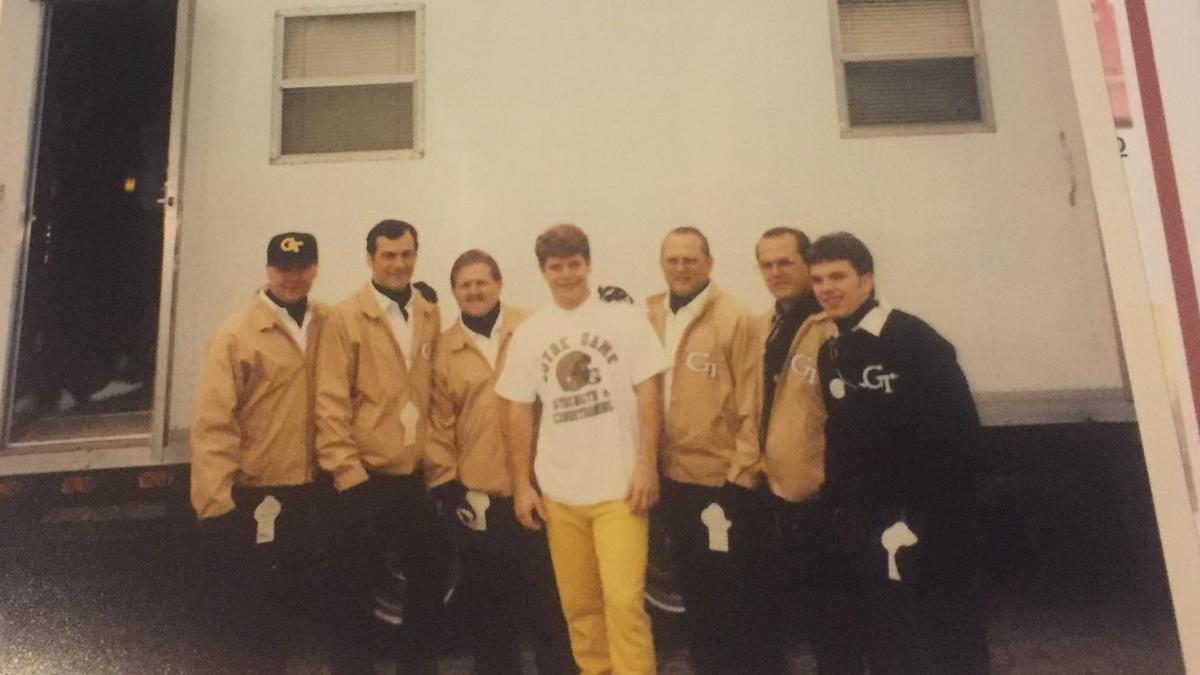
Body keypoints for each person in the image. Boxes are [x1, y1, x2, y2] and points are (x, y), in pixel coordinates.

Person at [808, 232, 989, 674]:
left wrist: (920, 519)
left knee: (945, 633)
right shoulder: (831, 348)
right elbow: (843, 437)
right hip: (866, 520)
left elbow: (957, 435)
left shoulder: (913, 339)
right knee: (887, 636)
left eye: (838, 276)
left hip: (926, 520)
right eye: (817, 279)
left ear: (866, 281)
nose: (826, 287)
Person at [494, 224, 667, 675]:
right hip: (560, 494)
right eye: (557, 267)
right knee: (581, 609)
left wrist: (647, 464)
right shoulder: (531, 332)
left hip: (620, 490)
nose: (567, 275)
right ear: (543, 271)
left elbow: (650, 392)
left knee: (625, 601)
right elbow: (517, 411)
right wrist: (522, 486)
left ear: (587, 264)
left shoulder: (624, 320)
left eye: (574, 264)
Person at [425, 249, 576, 674]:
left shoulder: (534, 329)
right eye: (465, 284)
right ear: (454, 292)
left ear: (498, 284)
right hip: (482, 497)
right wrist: (448, 483)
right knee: (492, 612)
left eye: (482, 282)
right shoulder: (444, 350)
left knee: (553, 605)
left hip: (541, 490)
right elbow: (439, 424)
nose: (474, 291)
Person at [190, 231, 327, 673]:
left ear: (315, 269)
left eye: (302, 267)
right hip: (260, 494)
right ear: (268, 271)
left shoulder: (328, 322)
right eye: (283, 268)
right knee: (259, 623)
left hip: (314, 488)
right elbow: (214, 423)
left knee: (304, 613)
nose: (292, 277)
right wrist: (216, 503)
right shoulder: (235, 335)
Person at [646, 227, 781, 674]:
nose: (680, 268)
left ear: (709, 263)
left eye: (690, 259)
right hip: (674, 479)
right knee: (696, 597)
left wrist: (739, 481)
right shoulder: (650, 315)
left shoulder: (734, 318)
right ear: (662, 263)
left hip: (721, 484)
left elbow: (752, 403)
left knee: (737, 599)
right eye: (672, 260)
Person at [315, 219, 445, 674]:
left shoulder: (428, 312)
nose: (398, 264)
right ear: (370, 258)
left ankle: (416, 667)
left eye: (407, 254)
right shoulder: (344, 317)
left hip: (413, 475)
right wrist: (347, 473)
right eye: (388, 255)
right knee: (355, 592)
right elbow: (330, 401)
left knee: (428, 580)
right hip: (364, 477)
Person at [754, 226, 847, 672]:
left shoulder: (829, 325)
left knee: (837, 616)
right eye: (767, 265)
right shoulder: (771, 323)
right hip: (782, 492)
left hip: (823, 496)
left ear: (807, 263)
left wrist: (834, 487)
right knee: (809, 609)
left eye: (785, 262)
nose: (775, 272)